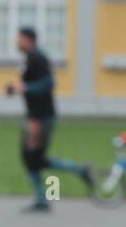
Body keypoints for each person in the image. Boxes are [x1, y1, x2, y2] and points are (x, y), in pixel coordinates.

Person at [5, 26, 92, 213]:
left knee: (33, 158)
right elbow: (32, 85)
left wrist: (25, 88)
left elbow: (49, 83)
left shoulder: (38, 58)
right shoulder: (30, 58)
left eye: (19, 38)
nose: (17, 42)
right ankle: (69, 178)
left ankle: (47, 197)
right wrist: (18, 88)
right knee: (35, 159)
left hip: (41, 118)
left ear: (29, 40)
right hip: (35, 116)